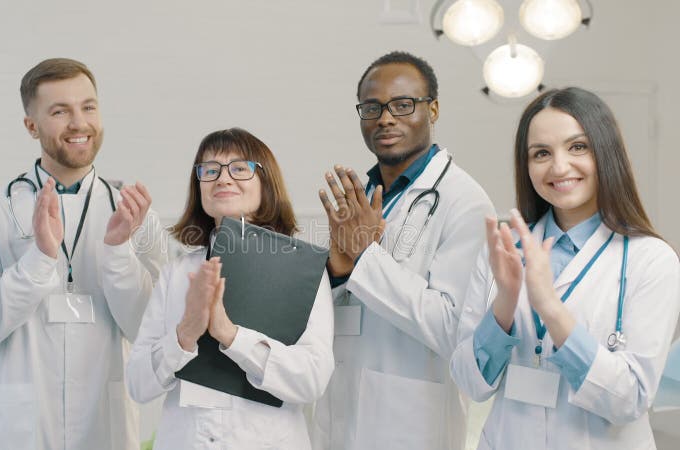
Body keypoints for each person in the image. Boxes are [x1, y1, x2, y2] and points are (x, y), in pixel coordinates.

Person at [0, 58, 167, 450]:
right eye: (60, 111)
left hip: (106, 424)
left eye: (88, 106)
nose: (79, 123)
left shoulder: (135, 215)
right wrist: (39, 260)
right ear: (31, 126)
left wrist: (118, 252)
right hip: (24, 427)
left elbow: (151, 331)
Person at [450, 87, 680, 449]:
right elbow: (469, 381)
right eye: (541, 153)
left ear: (605, 152)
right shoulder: (503, 251)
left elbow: (631, 399)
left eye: (577, 147)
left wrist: (551, 309)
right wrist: (505, 303)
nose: (559, 167)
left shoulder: (651, 259)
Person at [312, 51, 494, 450]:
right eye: (372, 107)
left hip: (410, 422)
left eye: (403, 105)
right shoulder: (363, 196)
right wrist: (338, 272)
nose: (385, 118)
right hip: (339, 407)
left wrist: (365, 258)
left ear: (434, 109)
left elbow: (454, 329)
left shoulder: (465, 202)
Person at [126, 128, 334, 449]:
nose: (222, 179)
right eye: (210, 170)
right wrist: (184, 335)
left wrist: (232, 336)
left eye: (239, 168)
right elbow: (138, 384)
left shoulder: (301, 269)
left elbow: (312, 379)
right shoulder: (176, 273)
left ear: (267, 183)